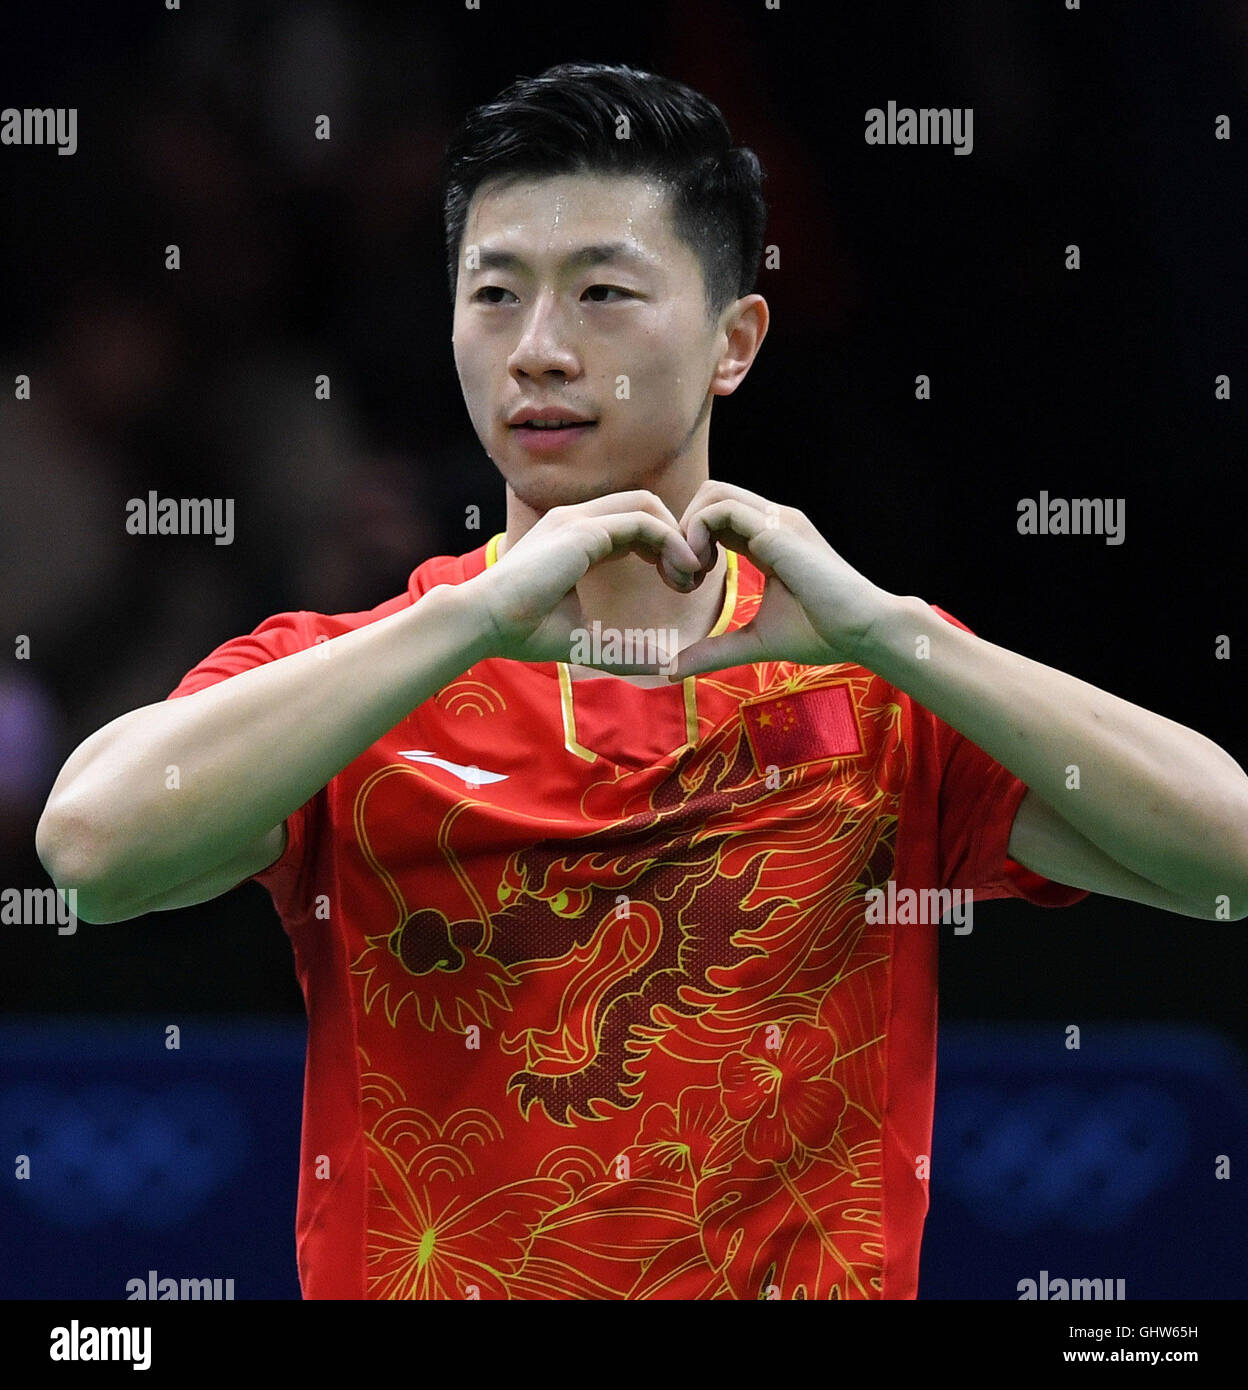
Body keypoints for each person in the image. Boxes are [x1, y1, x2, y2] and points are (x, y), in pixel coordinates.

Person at [36, 62, 1248, 1301]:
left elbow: (1233, 857)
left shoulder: (876, 683)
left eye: (605, 293)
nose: (541, 351)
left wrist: (899, 637)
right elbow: (90, 846)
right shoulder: (346, 681)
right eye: (494, 295)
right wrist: (477, 616)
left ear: (735, 341)